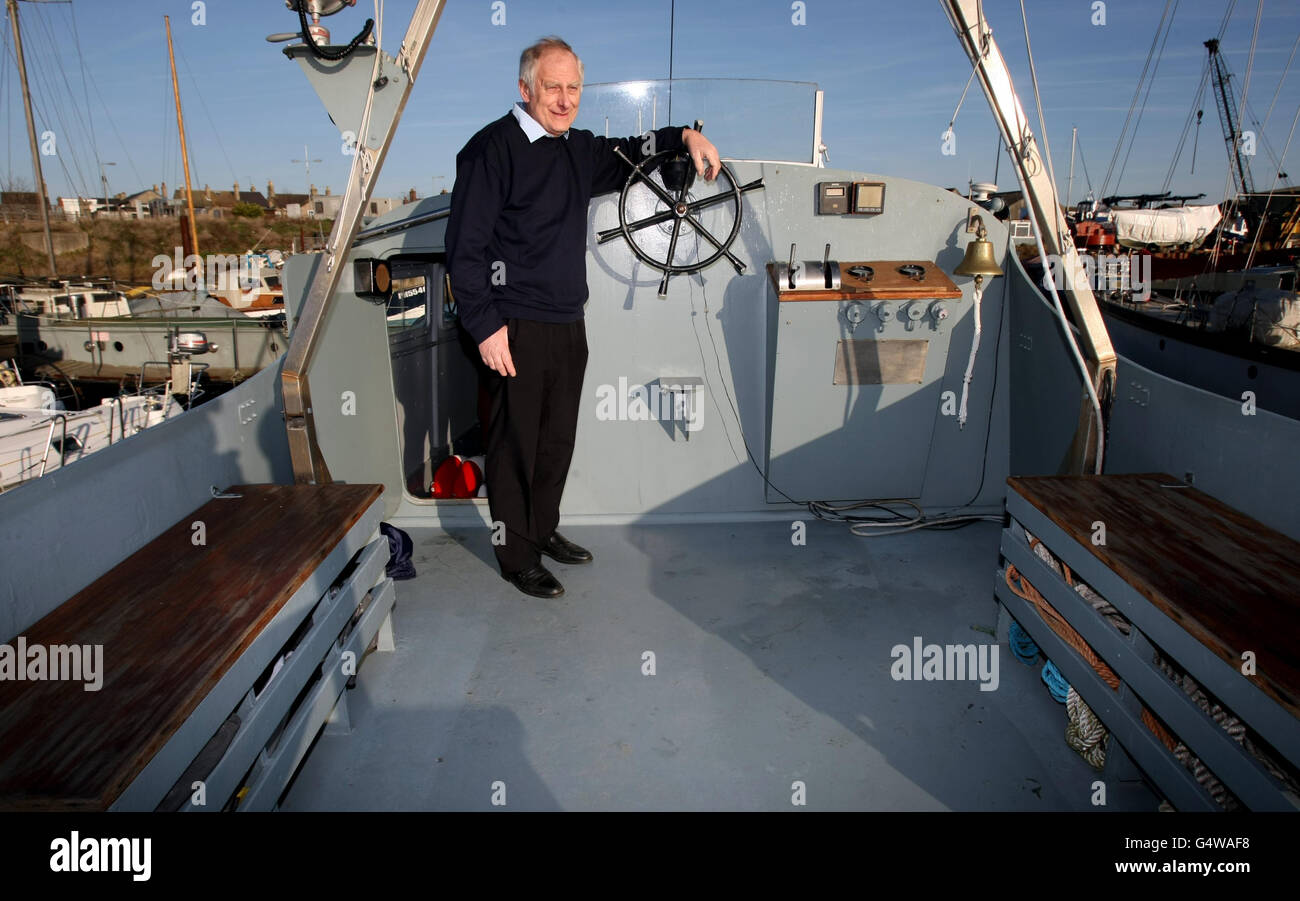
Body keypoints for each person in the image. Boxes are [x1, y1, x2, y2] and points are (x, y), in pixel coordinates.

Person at [446, 36, 722, 599]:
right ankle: (515, 555)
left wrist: (685, 136)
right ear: (526, 89)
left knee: (555, 442)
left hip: (567, 321)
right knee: (513, 447)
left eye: (573, 87)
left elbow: (636, 148)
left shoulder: (577, 149)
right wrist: (485, 326)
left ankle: (542, 530)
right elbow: (463, 250)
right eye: (553, 87)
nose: (565, 98)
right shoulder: (489, 150)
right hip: (510, 325)